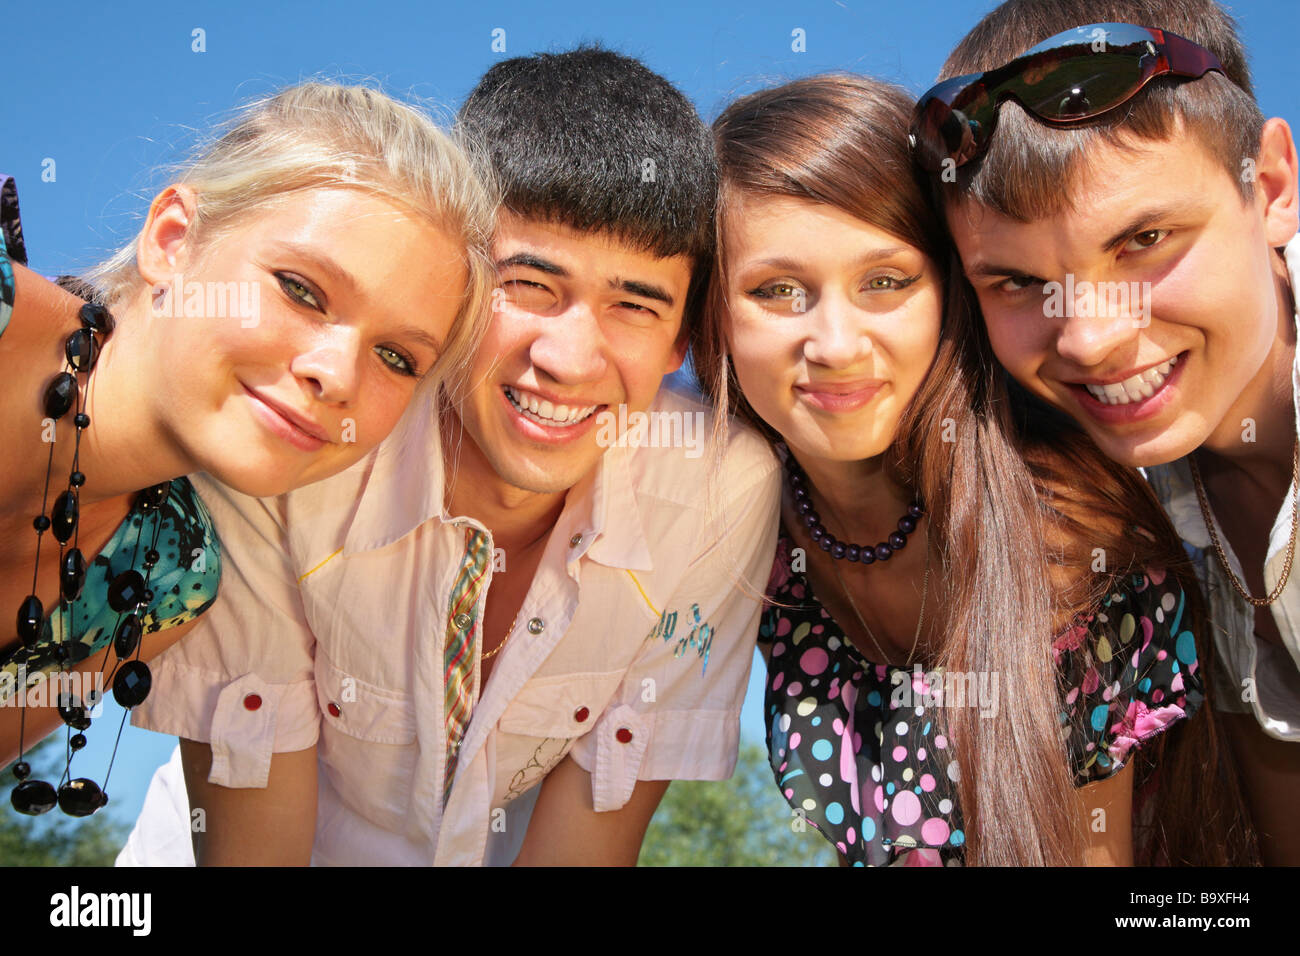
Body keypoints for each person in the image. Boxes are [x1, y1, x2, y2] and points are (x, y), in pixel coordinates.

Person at [118, 48, 779, 866]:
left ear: (680, 339)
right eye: (529, 285)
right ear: (454, 288)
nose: (569, 360)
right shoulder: (293, 441)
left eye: (634, 306)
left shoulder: (716, 495)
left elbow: (589, 844)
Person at [693, 72, 1216, 866]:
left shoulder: (1067, 530)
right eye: (777, 290)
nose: (835, 345)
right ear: (712, 315)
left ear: (949, 294)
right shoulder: (741, 531)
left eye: (885, 282)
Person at [0, 81, 496, 815]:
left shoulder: (168, 579)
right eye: (301, 290)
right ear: (173, 240)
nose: (337, 375)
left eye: (396, 357)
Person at [917, 0, 1300, 864]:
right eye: (1016, 282)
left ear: (1271, 188)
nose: (1087, 339)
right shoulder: (1085, 485)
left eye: (1145, 239)